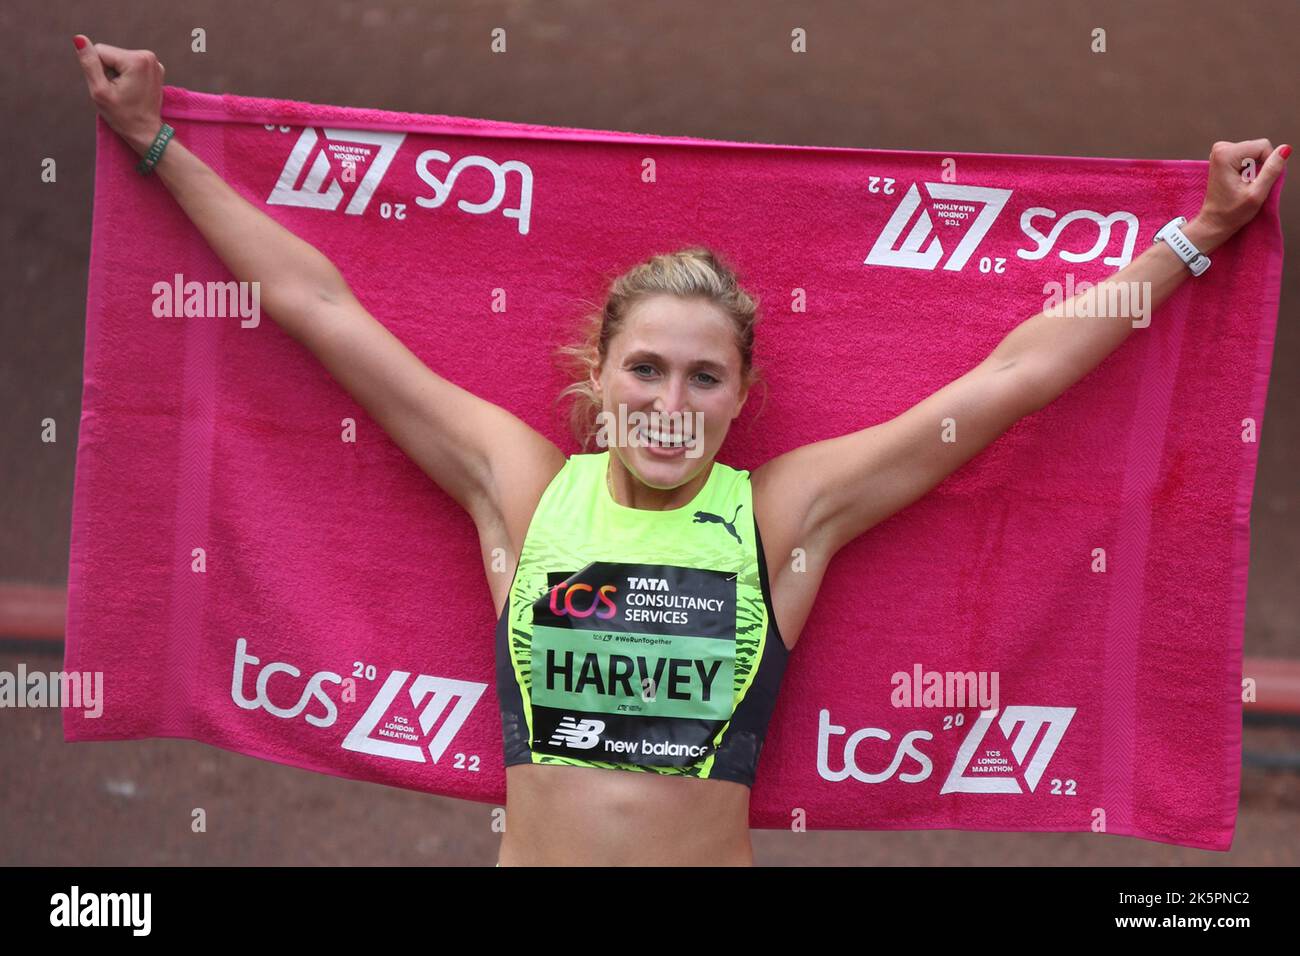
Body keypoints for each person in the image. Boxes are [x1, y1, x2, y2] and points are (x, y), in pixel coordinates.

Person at [73, 35, 1287, 867]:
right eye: (645, 368)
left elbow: (1014, 379)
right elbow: (321, 309)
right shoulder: (517, 485)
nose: (669, 398)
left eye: (703, 376)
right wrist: (152, 142)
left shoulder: (784, 515)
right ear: (596, 378)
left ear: (740, 395)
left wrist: (1199, 233)